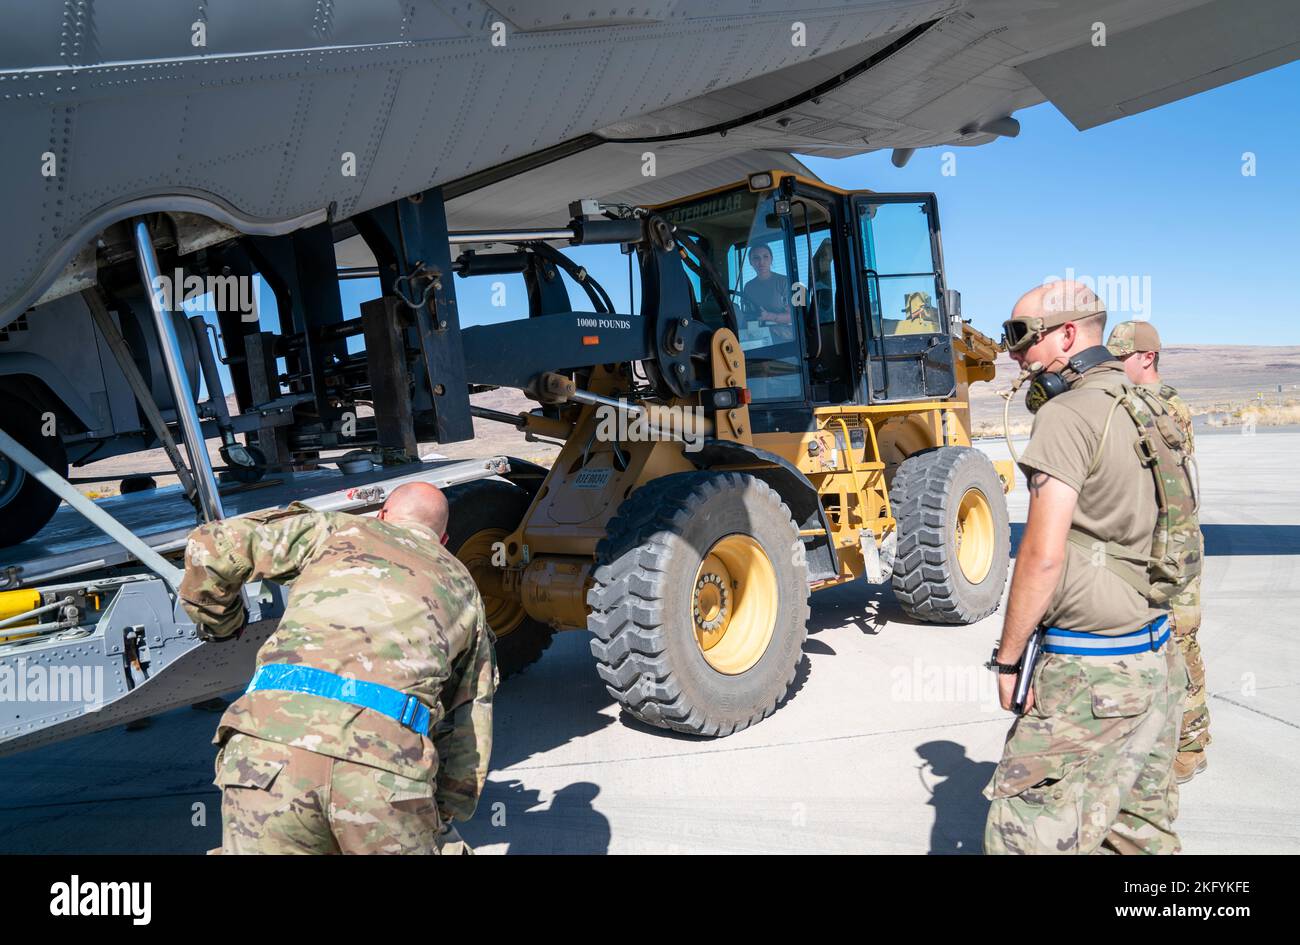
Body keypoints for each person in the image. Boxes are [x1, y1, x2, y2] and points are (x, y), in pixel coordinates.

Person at [180, 482, 496, 855]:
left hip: (266, 751)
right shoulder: (462, 586)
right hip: (383, 770)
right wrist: (441, 814)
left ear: (381, 515)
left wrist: (222, 622)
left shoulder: (335, 528)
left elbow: (212, 544)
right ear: (442, 539)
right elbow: (469, 717)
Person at [983, 281, 1188, 855]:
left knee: (1021, 839)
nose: (1015, 354)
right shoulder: (1152, 405)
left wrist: (1007, 658)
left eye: (1022, 336)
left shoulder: (1069, 415)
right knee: (1135, 835)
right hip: (1157, 658)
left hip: (1092, 672)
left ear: (1068, 335)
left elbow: (1042, 555)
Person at [1107, 320, 1209, 782]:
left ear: (1147, 357)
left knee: (1181, 641)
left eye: (1122, 356)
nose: (1114, 365)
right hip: (1148, 545)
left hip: (1175, 546)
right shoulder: (1133, 402)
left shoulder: (1166, 405)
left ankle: (1193, 743)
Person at [741, 242, 793, 339]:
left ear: (771, 259)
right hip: (758, 336)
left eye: (765, 257)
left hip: (784, 337)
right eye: (756, 258)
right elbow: (748, 316)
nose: (761, 262)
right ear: (750, 262)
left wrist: (769, 316)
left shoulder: (784, 282)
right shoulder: (748, 287)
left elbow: (794, 317)